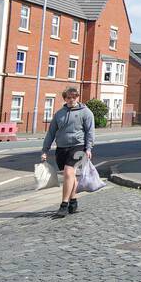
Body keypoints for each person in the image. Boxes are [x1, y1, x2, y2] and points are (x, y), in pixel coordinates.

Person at [41, 87, 94, 218]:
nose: (71, 100)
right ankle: (73, 201)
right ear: (65, 99)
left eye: (74, 97)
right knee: (71, 176)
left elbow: (90, 131)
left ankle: (63, 205)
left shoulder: (86, 113)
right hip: (61, 148)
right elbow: (51, 132)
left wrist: (88, 148)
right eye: (69, 98)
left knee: (68, 172)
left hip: (78, 146)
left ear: (78, 97)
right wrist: (45, 150)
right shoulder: (59, 114)